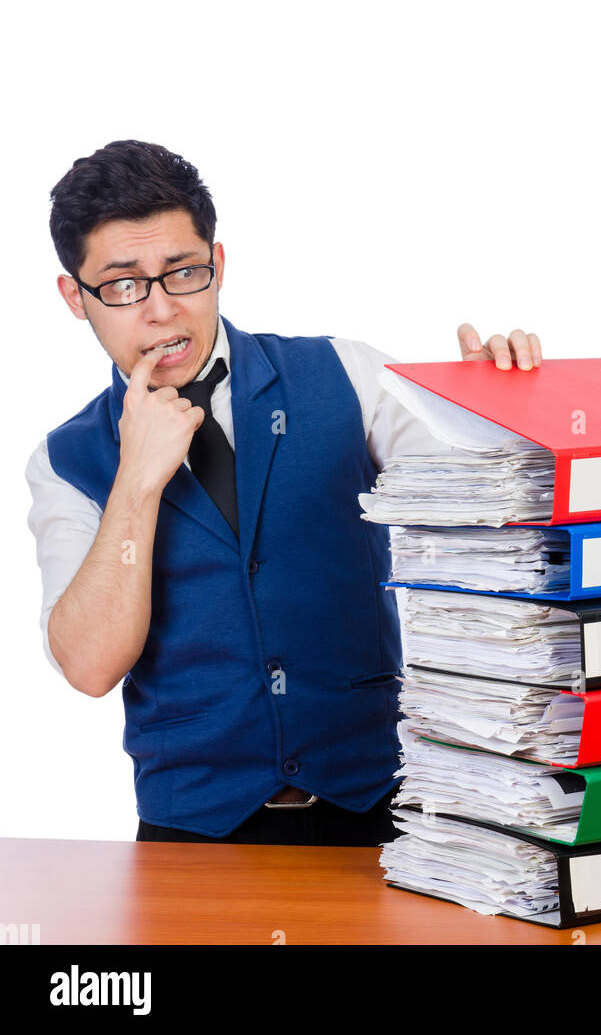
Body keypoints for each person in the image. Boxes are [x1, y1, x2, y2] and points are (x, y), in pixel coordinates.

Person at [26, 140, 543, 845]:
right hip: (193, 832)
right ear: (75, 298)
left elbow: (500, 516)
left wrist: (510, 410)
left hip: (379, 808)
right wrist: (136, 482)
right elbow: (88, 665)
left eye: (183, 272)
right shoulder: (64, 460)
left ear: (219, 264)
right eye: (122, 285)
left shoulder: (347, 374)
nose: (160, 309)